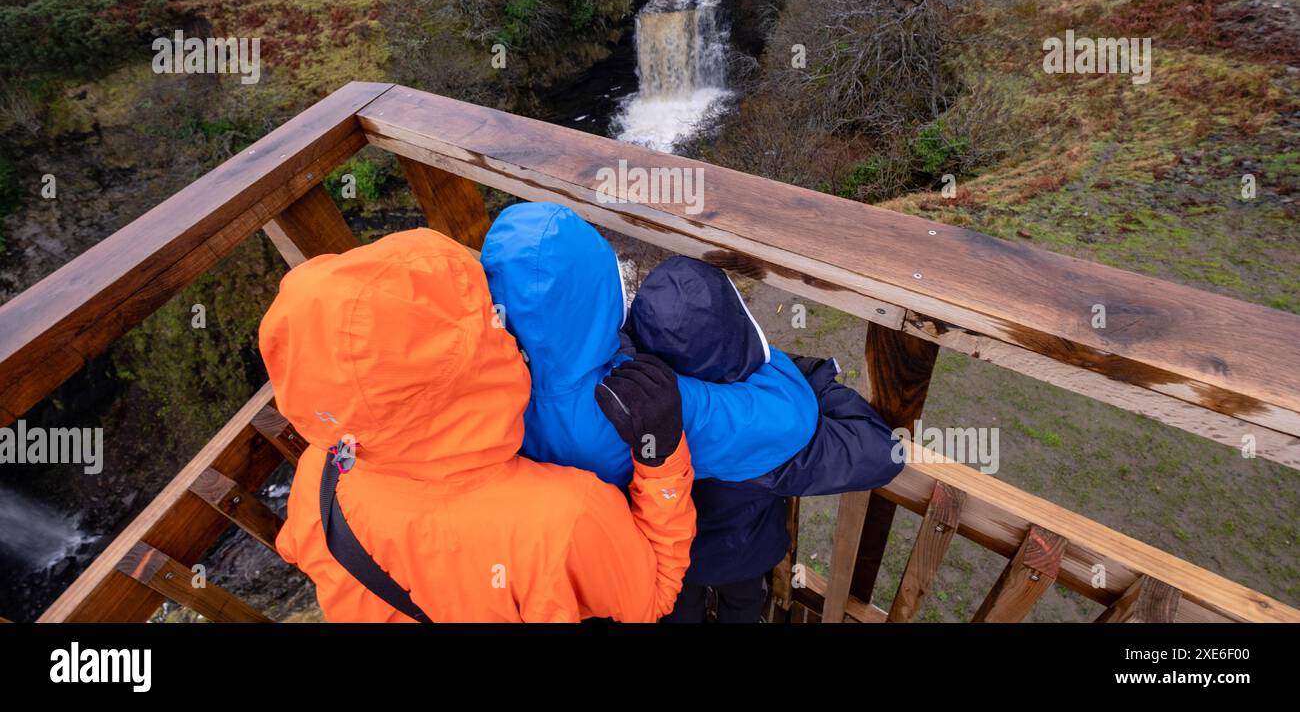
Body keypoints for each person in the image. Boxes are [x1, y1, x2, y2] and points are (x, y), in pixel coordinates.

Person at [261, 227, 696, 622]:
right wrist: (660, 455)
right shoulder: (564, 517)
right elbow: (651, 599)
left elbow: (299, 549)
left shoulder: (322, 470)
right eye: (489, 316)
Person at [629, 255, 904, 623]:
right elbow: (882, 451)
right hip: (744, 554)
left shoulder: (623, 404)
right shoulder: (769, 434)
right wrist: (808, 379)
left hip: (667, 555)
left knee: (679, 608)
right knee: (742, 606)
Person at [479, 202, 819, 488]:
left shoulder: (480, 390)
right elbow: (789, 418)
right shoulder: (633, 398)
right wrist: (755, 348)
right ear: (602, 286)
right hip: (681, 530)